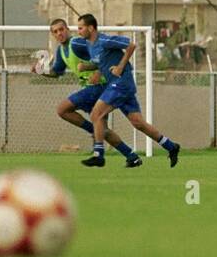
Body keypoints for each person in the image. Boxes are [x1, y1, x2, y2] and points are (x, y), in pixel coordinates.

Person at [77, 13, 181, 168]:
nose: (78, 31)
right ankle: (171, 146)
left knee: (96, 114)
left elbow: (131, 45)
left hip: (121, 83)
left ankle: (99, 155)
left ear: (91, 28)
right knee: (138, 123)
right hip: (118, 85)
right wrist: (87, 67)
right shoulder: (90, 46)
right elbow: (101, 62)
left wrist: (120, 67)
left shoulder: (105, 40)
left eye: (81, 28)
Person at [39, 18, 141, 167]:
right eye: (55, 32)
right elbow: (56, 72)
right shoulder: (61, 51)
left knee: (62, 109)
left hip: (98, 87)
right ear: (53, 35)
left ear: (67, 29)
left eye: (61, 29)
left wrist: (99, 71)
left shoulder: (77, 43)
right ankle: (132, 156)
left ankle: (92, 131)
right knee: (103, 130)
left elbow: (101, 53)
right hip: (93, 89)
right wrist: (41, 71)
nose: (59, 33)